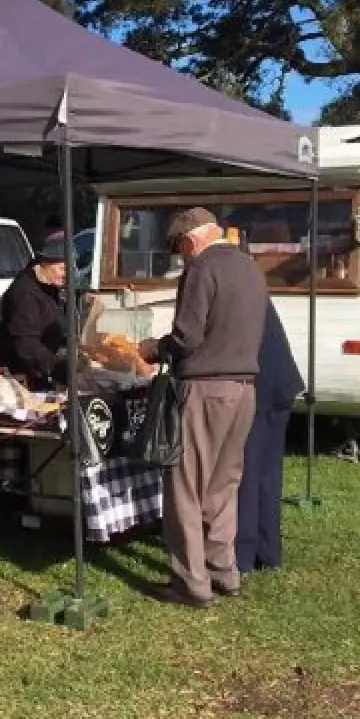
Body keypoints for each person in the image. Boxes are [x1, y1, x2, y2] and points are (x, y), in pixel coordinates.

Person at [141, 207, 270, 607]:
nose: (181, 256)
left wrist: (153, 348)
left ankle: (191, 583)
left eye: (180, 248)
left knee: (185, 487)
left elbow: (187, 337)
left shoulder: (200, 270)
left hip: (204, 389)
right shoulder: (250, 267)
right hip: (244, 388)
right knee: (222, 485)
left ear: (191, 240)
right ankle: (223, 571)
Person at [235, 305, 303, 574]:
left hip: (260, 384)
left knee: (248, 471)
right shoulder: (250, 278)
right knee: (267, 472)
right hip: (278, 381)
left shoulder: (223, 277)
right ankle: (268, 550)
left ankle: (243, 554)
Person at [0, 233, 68, 386]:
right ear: (45, 264)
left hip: (34, 373)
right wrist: (58, 368)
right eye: (62, 269)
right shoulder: (24, 293)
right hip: (10, 378)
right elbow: (26, 343)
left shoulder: (50, 287)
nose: (66, 274)